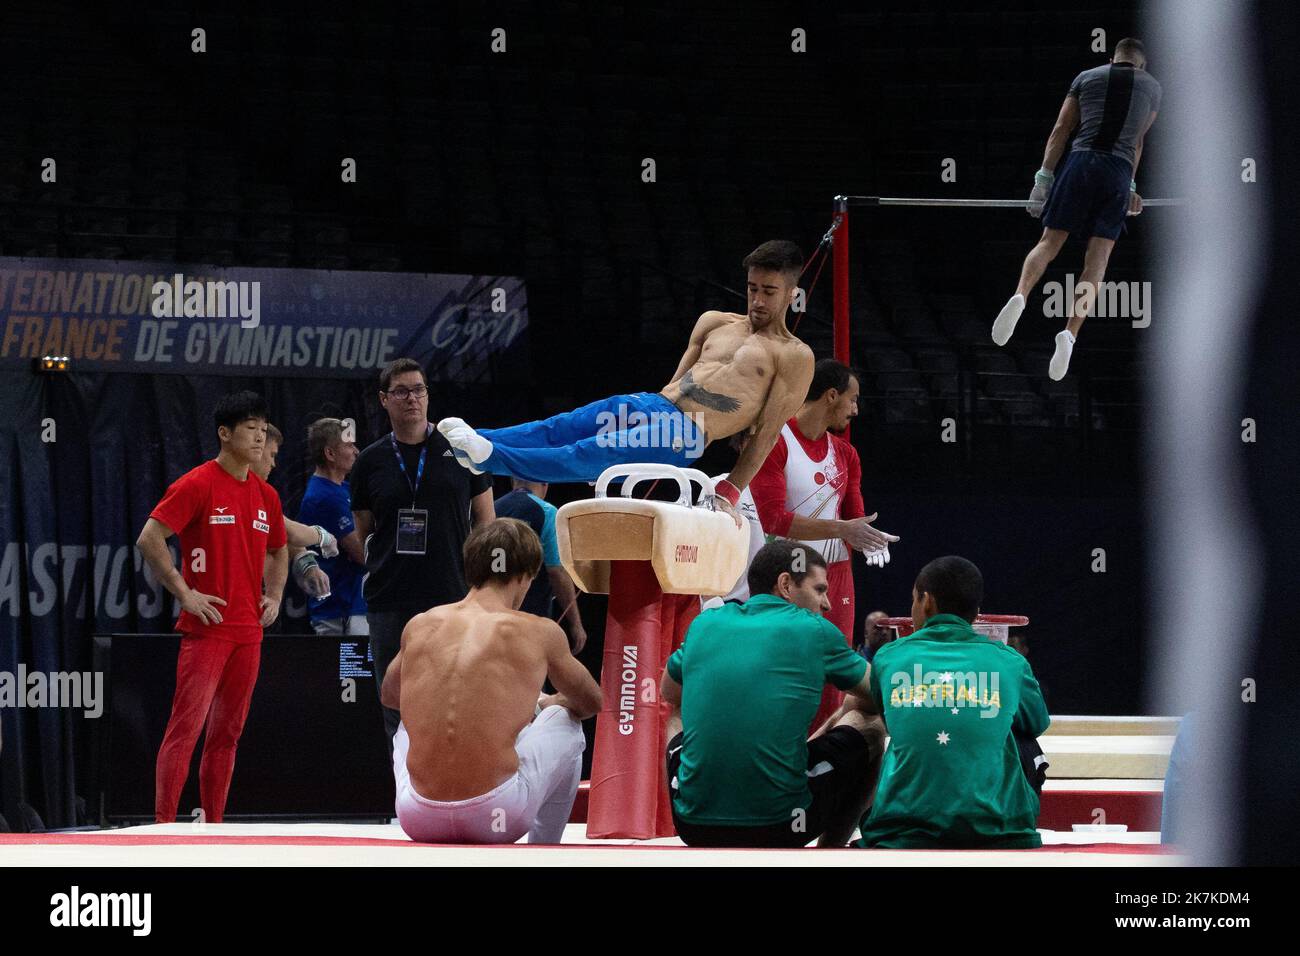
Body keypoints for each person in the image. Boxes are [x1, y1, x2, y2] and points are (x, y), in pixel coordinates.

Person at [436, 241, 817, 518]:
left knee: (582, 453)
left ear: (792, 294)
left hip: (688, 431)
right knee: (561, 427)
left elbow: (767, 433)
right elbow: (674, 386)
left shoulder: (794, 356)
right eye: (753, 288)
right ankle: (469, 442)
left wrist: (729, 491)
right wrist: (632, 449)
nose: (758, 301)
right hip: (654, 406)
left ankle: (490, 457)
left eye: (769, 292)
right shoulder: (714, 321)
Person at [381, 518, 603, 844]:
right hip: (495, 816)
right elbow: (591, 703)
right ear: (525, 576)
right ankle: (545, 848)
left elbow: (390, 695)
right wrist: (546, 702)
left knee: (405, 726)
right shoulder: (539, 631)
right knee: (565, 721)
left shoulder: (421, 624)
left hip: (418, 816)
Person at [660, 539, 887, 847]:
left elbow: (669, 693)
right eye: (819, 590)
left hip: (691, 826)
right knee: (870, 725)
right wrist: (840, 716)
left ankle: (700, 800)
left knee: (676, 713)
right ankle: (830, 855)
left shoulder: (705, 623)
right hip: (782, 825)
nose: (827, 604)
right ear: (785, 584)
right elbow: (882, 697)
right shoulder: (813, 629)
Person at [136, 391, 288, 823]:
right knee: (186, 729)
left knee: (227, 735)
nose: (260, 437)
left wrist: (274, 595)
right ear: (225, 433)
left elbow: (279, 550)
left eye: (263, 429)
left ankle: (214, 826)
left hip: (248, 631)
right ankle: (165, 826)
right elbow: (150, 538)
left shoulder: (265, 494)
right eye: (251, 428)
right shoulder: (198, 483)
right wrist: (185, 594)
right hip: (208, 628)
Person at [992, 37, 1161, 380]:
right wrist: (1129, 187)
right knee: (1096, 261)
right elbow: (1138, 141)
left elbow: (1060, 130)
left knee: (1048, 244)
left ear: (1114, 57)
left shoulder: (1087, 77)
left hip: (1081, 163)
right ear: (1141, 64)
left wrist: (1043, 179)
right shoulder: (1153, 87)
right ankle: (1070, 333)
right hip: (1117, 172)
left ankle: (1021, 295)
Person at [856, 556, 1051, 848]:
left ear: (926, 601)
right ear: (977, 612)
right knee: (1021, 733)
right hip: (1000, 832)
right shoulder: (1011, 661)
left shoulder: (887, 657)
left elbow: (891, 720)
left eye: (913, 599)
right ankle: (998, 813)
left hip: (900, 830)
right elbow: (1037, 723)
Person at [350, 358, 495, 752]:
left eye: (418, 389)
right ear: (384, 399)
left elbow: (487, 522)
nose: (411, 398)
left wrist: (479, 587)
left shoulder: (461, 450)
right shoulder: (370, 461)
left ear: (428, 395)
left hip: (452, 593)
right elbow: (363, 531)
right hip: (390, 598)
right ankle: (405, 804)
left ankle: (452, 797)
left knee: (455, 698)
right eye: (400, 391)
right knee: (395, 704)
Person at [748, 359, 898, 729]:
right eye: (852, 399)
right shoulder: (775, 441)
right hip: (788, 573)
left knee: (833, 668)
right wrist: (843, 530)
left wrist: (868, 538)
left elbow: (855, 518)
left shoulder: (846, 454)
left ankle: (823, 757)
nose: (856, 409)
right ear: (831, 396)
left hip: (837, 574)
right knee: (784, 663)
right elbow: (773, 519)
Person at [493, 477, 587, 652]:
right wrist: (575, 624)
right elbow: (556, 571)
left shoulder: (492, 508)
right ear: (545, 484)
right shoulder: (546, 511)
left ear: (513, 481)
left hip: (491, 614)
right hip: (531, 614)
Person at [297, 418, 368, 636]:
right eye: (348, 445)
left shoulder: (343, 489)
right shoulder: (323, 496)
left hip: (353, 602)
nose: (356, 451)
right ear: (330, 454)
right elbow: (361, 553)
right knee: (343, 669)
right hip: (337, 609)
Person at [254, 422, 338, 602]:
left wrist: (304, 558)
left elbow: (280, 531)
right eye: (272, 455)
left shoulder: (263, 492)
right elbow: (289, 531)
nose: (274, 464)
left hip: (253, 601)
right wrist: (322, 535)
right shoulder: (220, 485)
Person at [700, 430, 767, 611]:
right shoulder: (717, 486)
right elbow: (702, 549)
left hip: (772, 606)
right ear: (741, 444)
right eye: (757, 441)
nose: (766, 448)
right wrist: (713, 605)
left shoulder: (790, 490)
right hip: (731, 606)